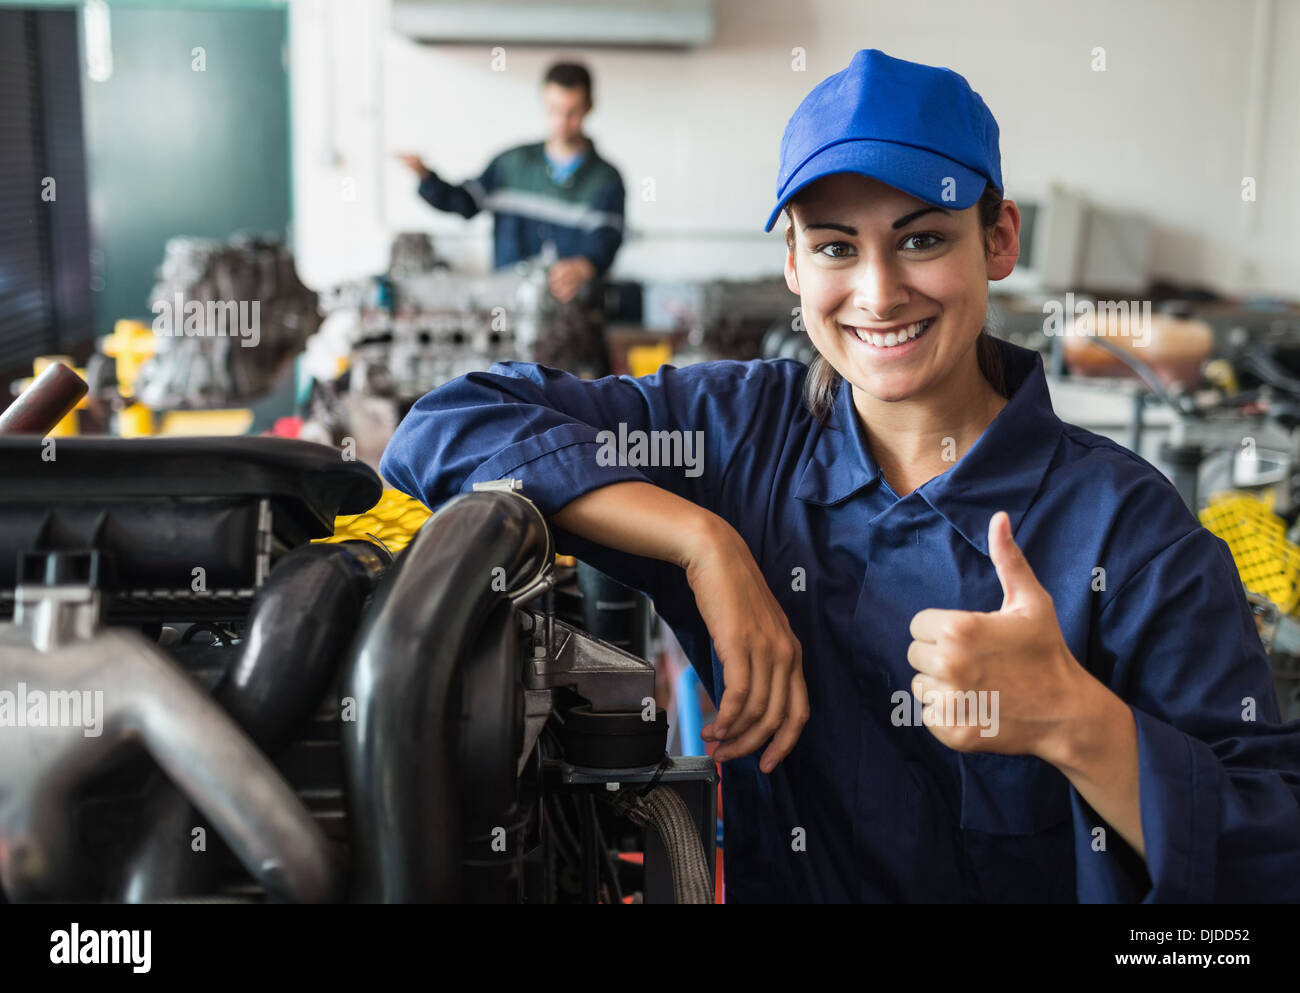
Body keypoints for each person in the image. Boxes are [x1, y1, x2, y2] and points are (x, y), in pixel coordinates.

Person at [379, 49, 1300, 902]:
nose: (878, 291)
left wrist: (1079, 724)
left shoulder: (1128, 535)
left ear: (1000, 239)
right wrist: (705, 543)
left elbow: (1273, 853)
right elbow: (445, 425)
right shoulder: (735, 438)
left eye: (922, 239)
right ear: (791, 262)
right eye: (833, 246)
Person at [398, 61, 624, 378]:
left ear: (588, 107)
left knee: (576, 416)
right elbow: (466, 203)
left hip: (573, 329)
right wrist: (425, 177)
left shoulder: (605, 179)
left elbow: (608, 239)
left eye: (572, 112)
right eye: (554, 110)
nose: (562, 122)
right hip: (509, 324)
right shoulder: (511, 165)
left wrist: (585, 266)